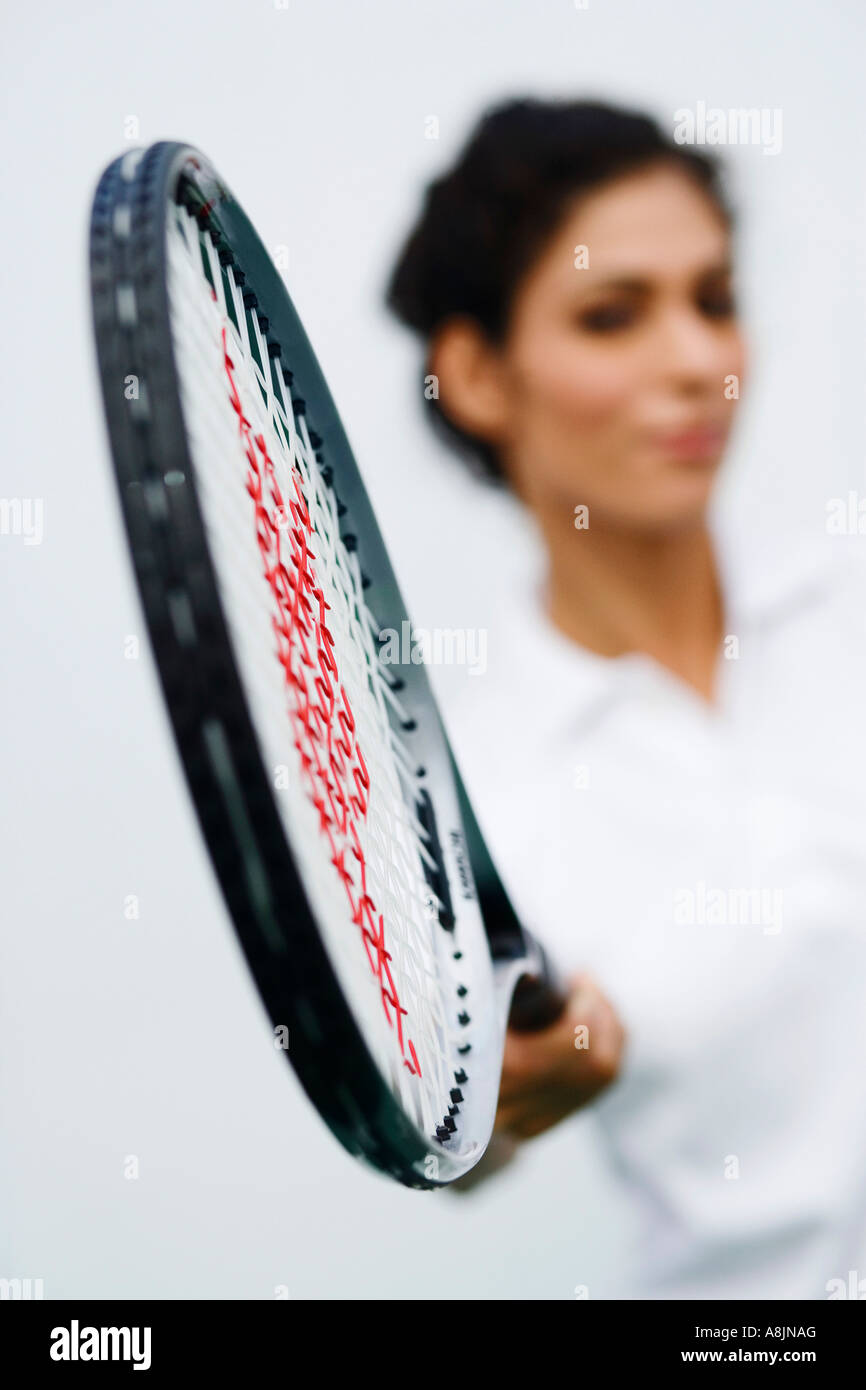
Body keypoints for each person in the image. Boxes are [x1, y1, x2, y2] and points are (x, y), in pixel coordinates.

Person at [384, 97, 866, 1299]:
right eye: (613, 315)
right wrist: (499, 1108)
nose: (696, 360)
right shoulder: (476, 810)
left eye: (712, 299)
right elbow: (461, 1141)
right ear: (479, 376)